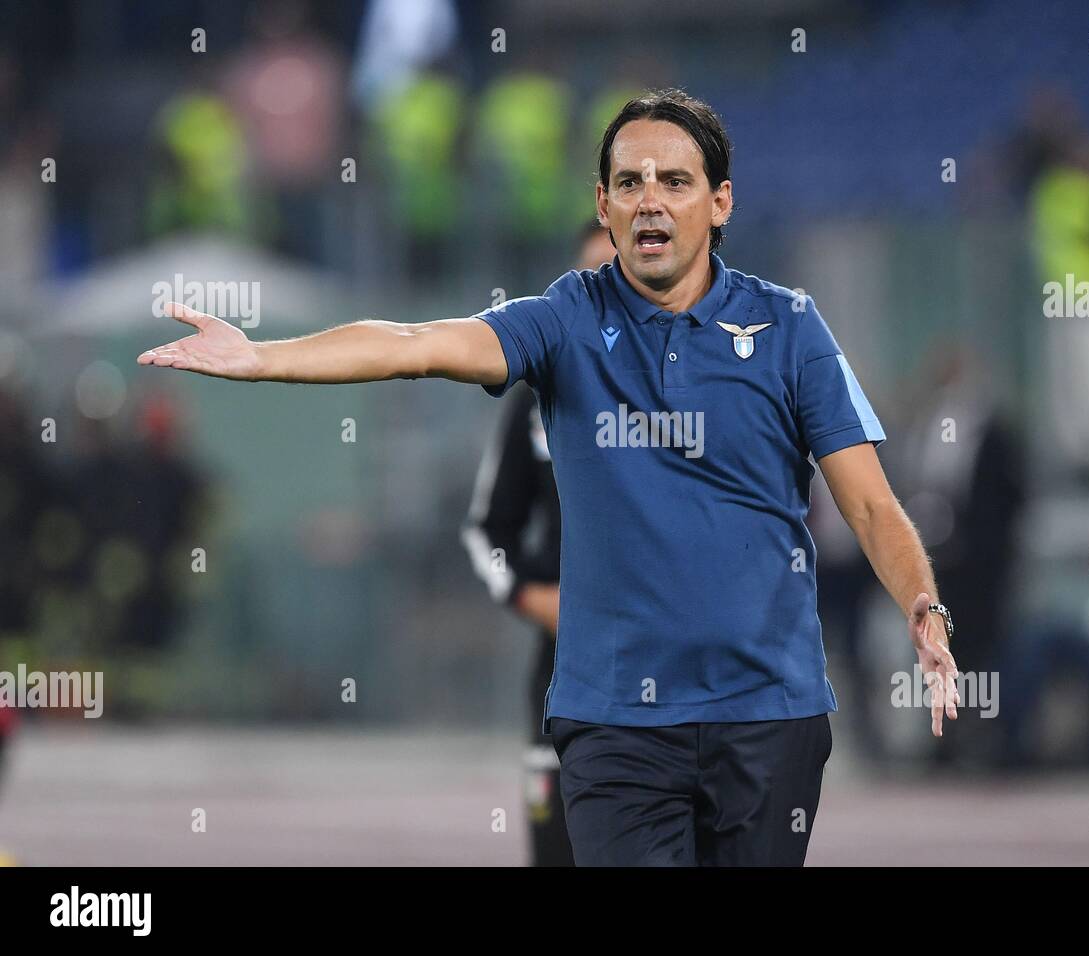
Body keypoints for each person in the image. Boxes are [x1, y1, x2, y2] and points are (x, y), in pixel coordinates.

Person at [138, 88, 960, 867]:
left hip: (768, 715)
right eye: (629, 182)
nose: (651, 200)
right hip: (614, 724)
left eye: (676, 181)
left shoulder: (792, 328)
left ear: (721, 202)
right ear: (602, 205)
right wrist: (261, 358)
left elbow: (869, 503)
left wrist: (922, 604)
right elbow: (414, 342)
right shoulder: (567, 320)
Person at [461, 222, 615, 866]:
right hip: (564, 675)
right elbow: (485, 529)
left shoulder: (704, 386)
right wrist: (529, 593)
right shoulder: (536, 393)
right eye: (591, 279)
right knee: (556, 850)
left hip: (678, 679)